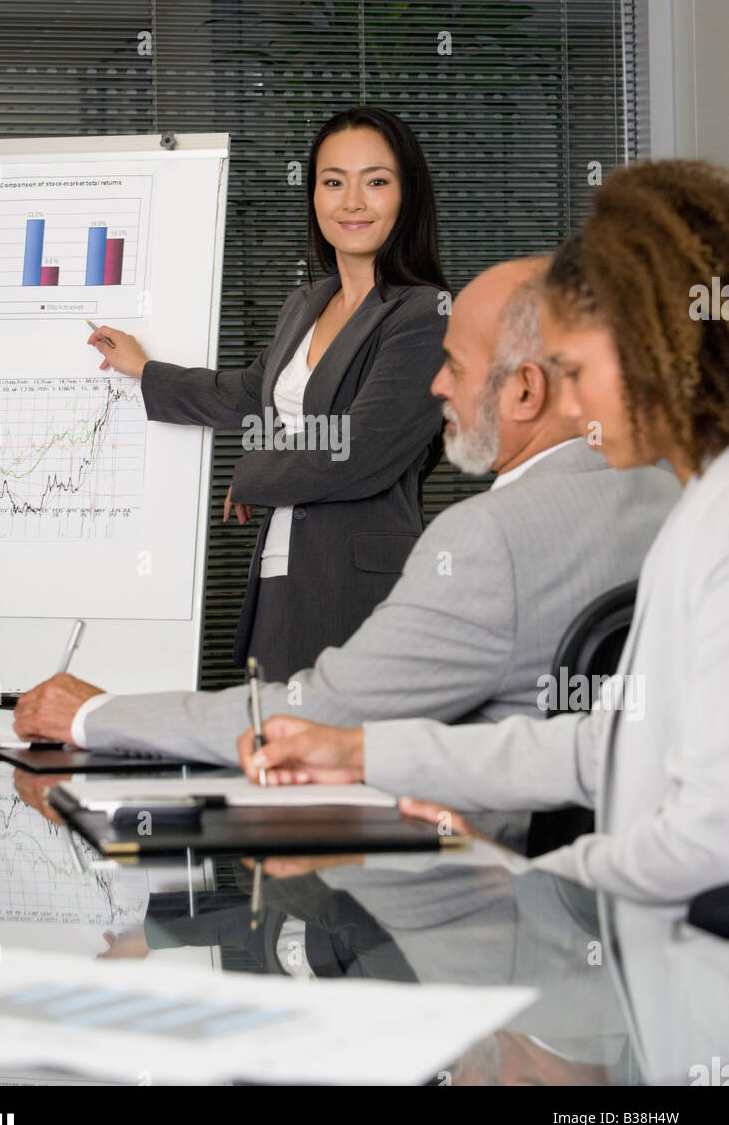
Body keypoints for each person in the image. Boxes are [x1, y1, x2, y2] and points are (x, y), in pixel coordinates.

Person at [234, 159, 729, 1071]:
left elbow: (705, 841)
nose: (566, 404)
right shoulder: (696, 505)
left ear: (661, 348)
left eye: (578, 371)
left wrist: (520, 882)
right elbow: (608, 743)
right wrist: (361, 752)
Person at [14, 257, 678, 851]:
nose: (437, 387)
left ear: (526, 391)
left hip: (481, 900)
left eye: (455, 367)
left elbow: (310, 719)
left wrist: (93, 714)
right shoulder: (671, 500)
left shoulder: (487, 540)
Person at [83, 108, 449, 680]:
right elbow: (251, 395)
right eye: (333, 182)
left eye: (376, 181)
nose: (352, 201)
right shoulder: (306, 304)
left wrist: (252, 473)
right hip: (280, 567)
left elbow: (362, 448)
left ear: (408, 197)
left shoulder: (424, 313)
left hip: (357, 585)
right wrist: (144, 370)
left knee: (335, 757)